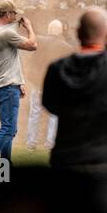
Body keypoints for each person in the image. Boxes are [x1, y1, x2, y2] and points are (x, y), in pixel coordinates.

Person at [41, 7, 107, 174]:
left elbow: (50, 104)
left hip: (66, 160)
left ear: (78, 33)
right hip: (105, 162)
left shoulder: (57, 68)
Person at [0, 0, 38, 176]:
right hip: (6, 87)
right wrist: (29, 27)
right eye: (14, 14)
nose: (16, 17)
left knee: (7, 128)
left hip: (4, 86)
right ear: (7, 14)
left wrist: (20, 81)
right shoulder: (4, 34)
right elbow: (33, 45)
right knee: (9, 129)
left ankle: (5, 169)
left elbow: (10, 58)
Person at [26, 19, 72, 151]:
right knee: (54, 115)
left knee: (34, 113)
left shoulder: (39, 40)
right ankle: (50, 143)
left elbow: (32, 60)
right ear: (61, 30)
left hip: (38, 83)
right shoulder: (66, 47)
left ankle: (31, 143)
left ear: (49, 29)